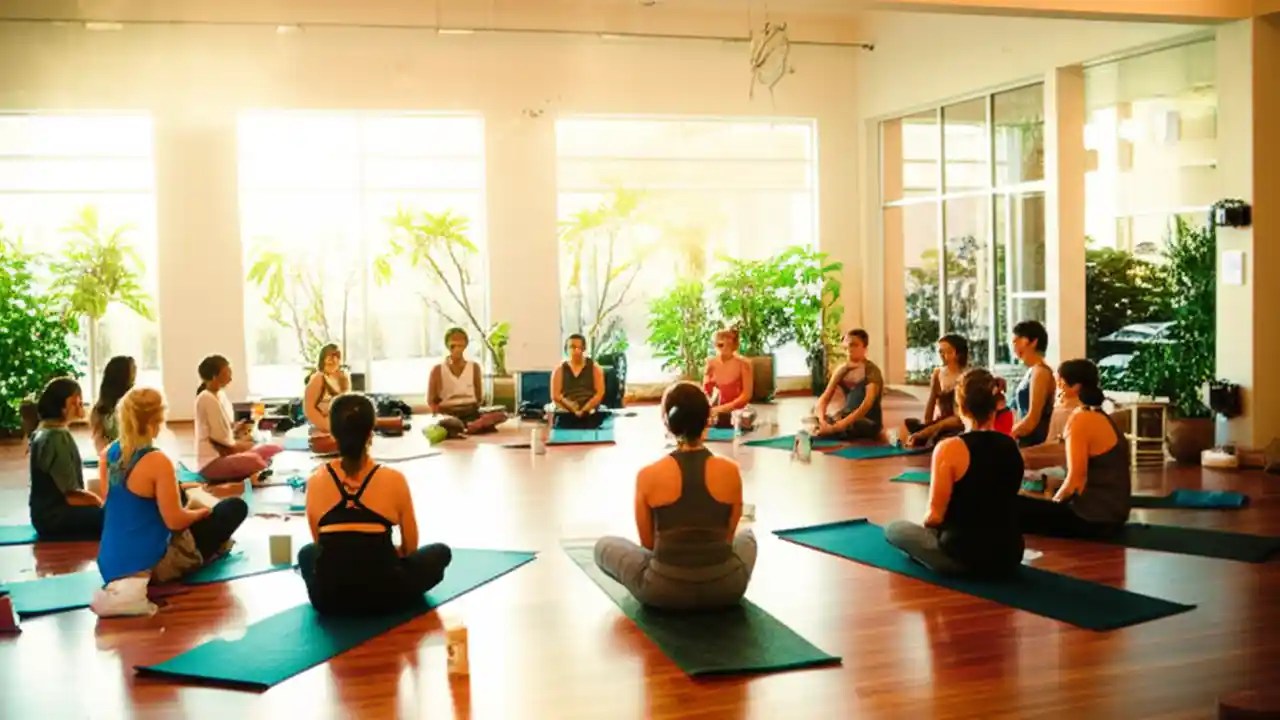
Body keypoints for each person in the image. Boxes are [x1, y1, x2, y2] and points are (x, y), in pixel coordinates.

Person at [594, 382, 756, 610]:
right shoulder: (730, 470)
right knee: (747, 537)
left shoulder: (648, 475)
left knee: (603, 546)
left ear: (667, 422)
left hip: (663, 591)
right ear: (707, 418)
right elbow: (728, 538)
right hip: (726, 589)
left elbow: (648, 544)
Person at [91, 387, 250, 617]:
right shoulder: (157, 460)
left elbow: (118, 504)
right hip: (153, 565)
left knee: (184, 495)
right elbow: (175, 521)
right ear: (159, 419)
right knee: (234, 508)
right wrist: (200, 513)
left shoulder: (108, 454)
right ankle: (215, 548)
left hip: (110, 564)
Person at [297, 393, 452, 615]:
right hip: (387, 595)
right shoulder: (393, 479)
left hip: (329, 599)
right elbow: (410, 548)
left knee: (307, 553)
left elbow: (319, 544)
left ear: (332, 433)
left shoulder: (316, 480)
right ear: (371, 433)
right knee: (440, 553)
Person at [885, 369, 1025, 577]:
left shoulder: (949, 448)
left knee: (895, 529)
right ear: (995, 406)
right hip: (1010, 555)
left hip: (963, 557)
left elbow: (934, 517)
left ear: (960, 407)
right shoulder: (1011, 445)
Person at [1018, 359, 1131, 538]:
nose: (1058, 386)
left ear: (1075, 386)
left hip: (1092, 519)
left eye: (1060, 381)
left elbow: (1075, 481)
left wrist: (1054, 506)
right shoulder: (1096, 414)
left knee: (1014, 506)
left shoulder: (1081, 419)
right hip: (1110, 514)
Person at [28, 377, 104, 539]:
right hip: (55, 518)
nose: (80, 406)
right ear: (62, 407)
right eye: (75, 402)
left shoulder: (45, 430)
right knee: (120, 519)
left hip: (44, 516)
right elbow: (72, 496)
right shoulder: (55, 437)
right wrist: (100, 504)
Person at [194, 355, 282, 483]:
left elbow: (225, 430)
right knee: (255, 460)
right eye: (227, 372)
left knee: (271, 449)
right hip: (211, 463)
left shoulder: (220, 395)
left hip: (227, 452)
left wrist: (237, 429)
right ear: (214, 376)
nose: (230, 377)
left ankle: (253, 469)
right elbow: (223, 446)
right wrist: (247, 447)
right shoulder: (206, 398)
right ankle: (253, 472)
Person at [426, 328, 506, 434]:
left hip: (471, 412)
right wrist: (439, 415)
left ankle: (471, 426)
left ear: (465, 346)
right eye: (453, 346)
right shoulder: (437, 369)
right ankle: (467, 427)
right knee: (452, 423)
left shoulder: (474, 367)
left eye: (460, 346)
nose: (457, 349)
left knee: (501, 414)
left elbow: (479, 398)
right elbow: (431, 400)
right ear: (447, 346)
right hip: (448, 414)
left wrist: (472, 409)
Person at [815, 329, 885, 441]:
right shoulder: (842, 370)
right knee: (820, 420)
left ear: (864, 348)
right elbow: (824, 398)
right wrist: (821, 419)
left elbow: (866, 405)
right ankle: (829, 429)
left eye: (854, 345)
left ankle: (832, 431)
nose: (850, 349)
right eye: (847, 345)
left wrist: (837, 427)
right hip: (847, 417)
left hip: (866, 421)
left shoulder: (872, 371)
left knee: (849, 425)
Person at [904, 334, 968, 447]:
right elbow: (932, 398)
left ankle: (927, 434)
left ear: (958, 353)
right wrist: (926, 423)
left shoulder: (966, 375)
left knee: (941, 435)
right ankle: (925, 432)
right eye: (941, 352)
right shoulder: (939, 373)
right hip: (943, 419)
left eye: (948, 351)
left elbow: (959, 416)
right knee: (912, 424)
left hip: (959, 420)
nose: (943, 355)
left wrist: (926, 431)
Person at [1009, 320, 1056, 447]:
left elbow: (1032, 419)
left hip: (1032, 441)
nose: (1014, 347)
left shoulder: (1041, 372)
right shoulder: (1032, 370)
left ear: (1033, 342)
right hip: (1025, 438)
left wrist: (1009, 436)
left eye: (1016, 341)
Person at [702, 328, 756, 431]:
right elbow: (705, 391)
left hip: (738, 410)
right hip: (716, 410)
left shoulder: (744, 364)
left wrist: (723, 409)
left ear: (734, 344)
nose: (722, 343)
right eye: (720, 340)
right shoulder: (711, 363)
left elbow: (746, 395)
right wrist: (710, 408)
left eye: (726, 339)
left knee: (744, 418)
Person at [551, 334, 607, 429]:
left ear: (583, 349)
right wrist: (572, 408)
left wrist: (585, 409)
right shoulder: (559, 370)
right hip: (566, 412)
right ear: (566, 349)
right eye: (572, 347)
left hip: (590, 412)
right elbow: (555, 396)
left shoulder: (595, 368)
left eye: (578, 347)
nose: (575, 351)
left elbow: (600, 393)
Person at [90, 355, 136, 454]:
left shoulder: (132, 401)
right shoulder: (102, 410)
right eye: (132, 371)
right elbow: (100, 444)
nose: (135, 377)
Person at [303, 343, 350, 436]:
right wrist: (326, 425)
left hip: (340, 427)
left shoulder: (343, 377)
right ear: (323, 359)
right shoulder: (318, 378)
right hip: (322, 428)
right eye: (330, 357)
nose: (334, 360)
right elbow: (308, 409)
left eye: (337, 357)